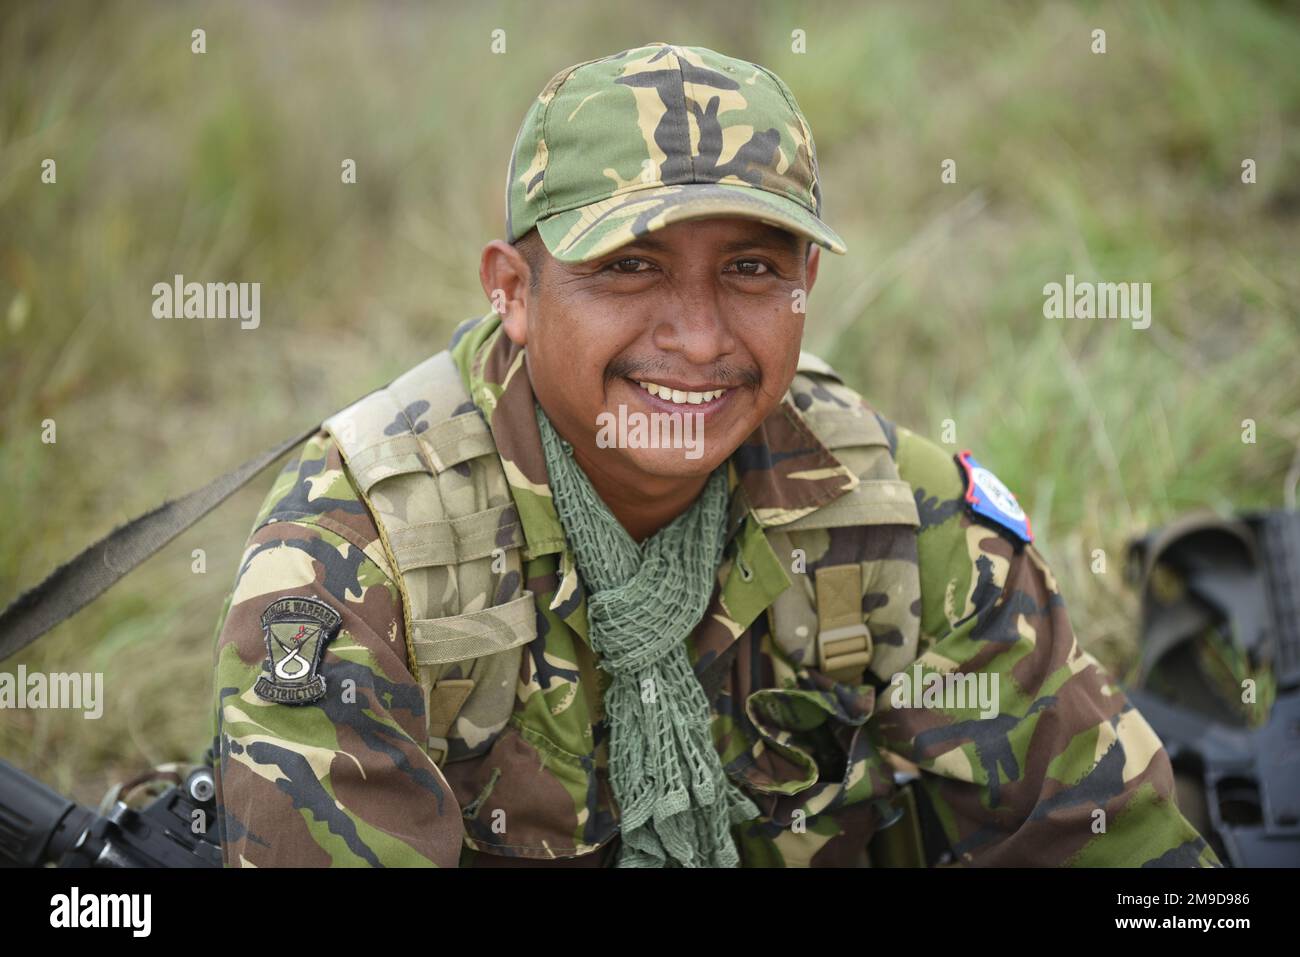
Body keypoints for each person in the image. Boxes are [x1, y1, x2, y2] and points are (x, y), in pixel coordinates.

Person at [210, 41, 1219, 867]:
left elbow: (1121, 853)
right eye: (629, 267)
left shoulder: (899, 519)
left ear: (805, 285)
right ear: (511, 291)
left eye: (748, 270)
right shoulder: (356, 555)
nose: (697, 339)